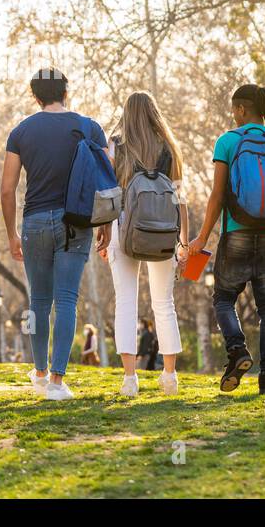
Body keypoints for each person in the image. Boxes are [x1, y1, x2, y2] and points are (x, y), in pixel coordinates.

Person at [0, 68, 110, 401]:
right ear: (66, 91)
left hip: (33, 222)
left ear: (35, 95)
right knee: (66, 300)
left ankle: (38, 372)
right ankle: (57, 383)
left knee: (38, 302)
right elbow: (107, 179)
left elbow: (7, 189)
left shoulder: (21, 131)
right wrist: (105, 223)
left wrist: (11, 234)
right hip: (75, 222)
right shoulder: (89, 127)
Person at [190, 84, 265, 396]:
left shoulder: (228, 141)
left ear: (241, 110)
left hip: (236, 233)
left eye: (234, 110)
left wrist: (201, 238)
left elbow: (216, 196)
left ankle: (237, 350)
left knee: (224, 298)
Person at [101, 91, 188, 397]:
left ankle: (129, 379)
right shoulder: (169, 148)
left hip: (123, 229)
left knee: (126, 301)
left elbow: (109, 193)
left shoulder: (116, 145)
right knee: (164, 304)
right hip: (164, 232)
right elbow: (180, 198)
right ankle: (169, 376)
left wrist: (104, 233)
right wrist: (184, 241)